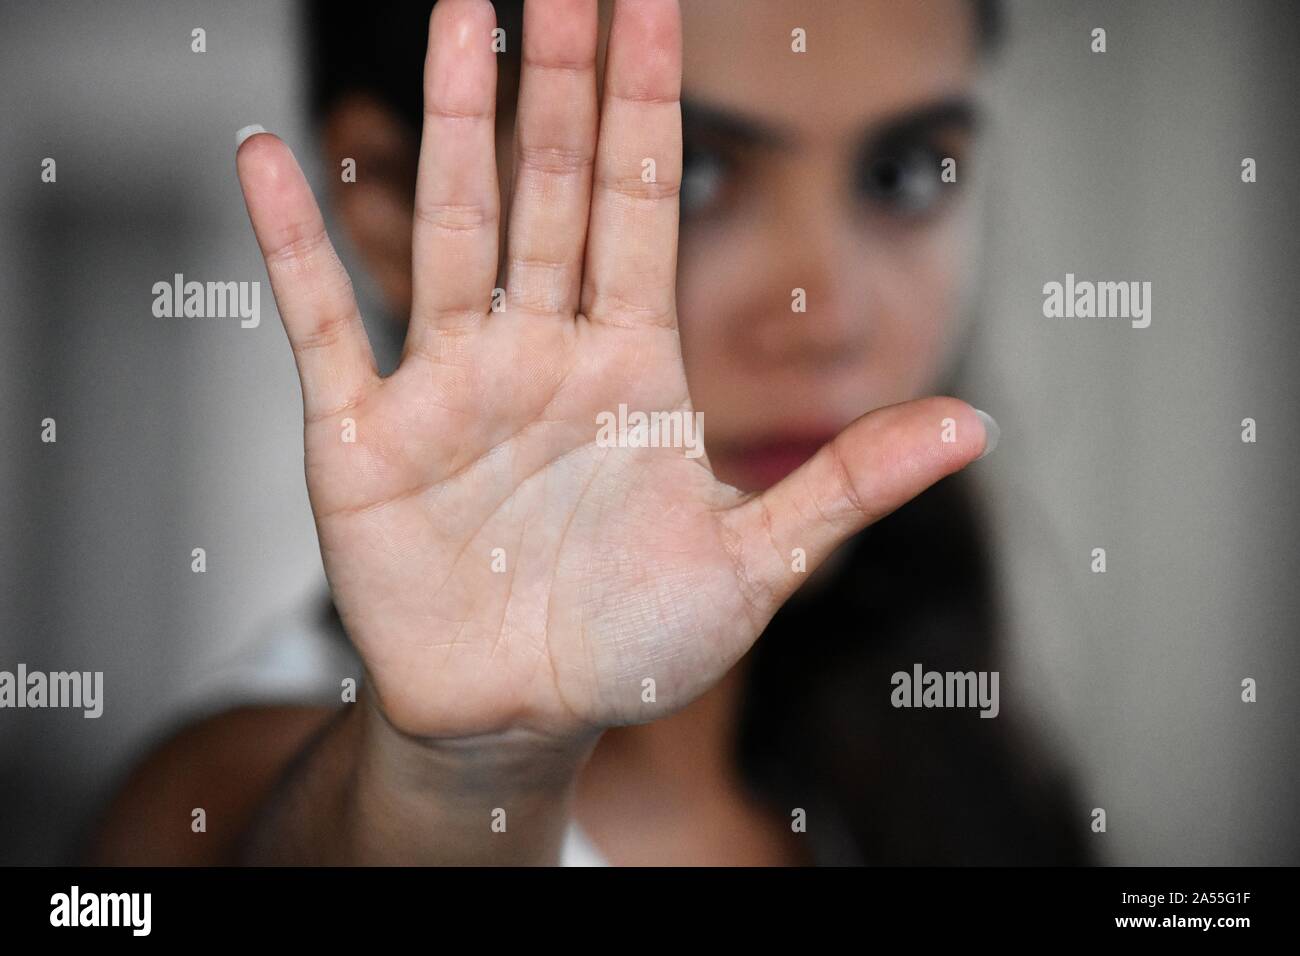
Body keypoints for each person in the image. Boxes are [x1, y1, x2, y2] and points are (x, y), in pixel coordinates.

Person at [90, 0, 1088, 866]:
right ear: (393, 202)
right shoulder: (228, 789)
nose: (825, 317)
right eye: (690, 172)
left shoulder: (931, 765)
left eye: (904, 174)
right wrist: (467, 766)